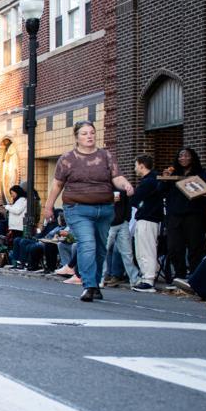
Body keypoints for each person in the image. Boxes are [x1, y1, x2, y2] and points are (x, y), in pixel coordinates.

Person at [41, 121, 135, 301]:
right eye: (84, 133)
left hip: (104, 209)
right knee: (87, 244)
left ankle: (96, 283)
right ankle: (89, 284)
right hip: (77, 209)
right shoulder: (67, 159)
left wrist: (126, 185)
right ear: (76, 137)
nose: (89, 136)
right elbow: (57, 184)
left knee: (100, 249)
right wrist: (48, 206)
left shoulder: (106, 156)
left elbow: (117, 177)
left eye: (91, 132)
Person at [161, 146, 206, 282]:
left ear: (193, 158)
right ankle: (179, 274)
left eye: (186, 156)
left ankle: (195, 275)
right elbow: (161, 190)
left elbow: (205, 190)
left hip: (194, 214)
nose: (183, 158)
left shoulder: (201, 174)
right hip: (174, 215)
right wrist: (165, 179)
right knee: (174, 246)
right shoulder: (173, 173)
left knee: (195, 246)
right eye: (180, 156)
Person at [129, 155, 163, 292]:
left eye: (136, 165)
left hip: (148, 218)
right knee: (143, 248)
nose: (135, 168)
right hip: (148, 217)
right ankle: (147, 276)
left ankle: (148, 280)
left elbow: (135, 198)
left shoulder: (148, 182)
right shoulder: (152, 180)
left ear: (142, 165)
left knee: (146, 249)